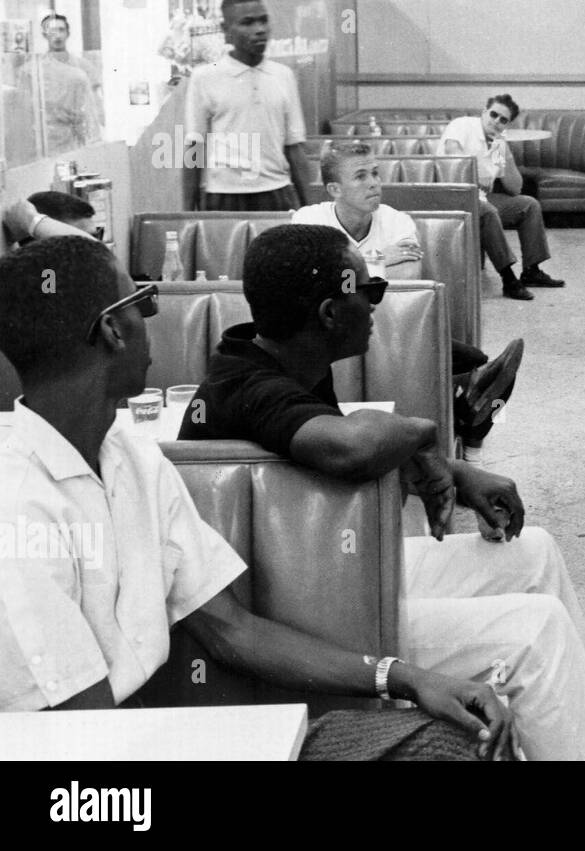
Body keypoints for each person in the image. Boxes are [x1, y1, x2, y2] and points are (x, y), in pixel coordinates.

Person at [0, 236, 510, 760]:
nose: (150, 322)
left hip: (168, 737)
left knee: (454, 742)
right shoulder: (18, 513)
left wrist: (403, 678)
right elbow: (78, 744)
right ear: (112, 329)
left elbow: (232, 630)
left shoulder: (131, 459)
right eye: (143, 304)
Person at [178, 224, 585, 760]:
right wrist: (427, 434)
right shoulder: (244, 387)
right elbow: (351, 447)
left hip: (329, 577)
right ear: (328, 313)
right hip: (297, 620)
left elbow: (323, 456)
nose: (377, 303)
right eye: (368, 292)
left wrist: (454, 476)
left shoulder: (283, 361)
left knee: (534, 552)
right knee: (535, 633)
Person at [293, 142, 525, 462]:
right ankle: (468, 414)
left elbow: (404, 283)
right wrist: (375, 262)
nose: (374, 182)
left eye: (375, 173)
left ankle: (469, 409)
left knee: (472, 358)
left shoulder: (397, 221)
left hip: (390, 330)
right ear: (334, 188)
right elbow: (304, 282)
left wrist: (342, 274)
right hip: (329, 335)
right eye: (360, 176)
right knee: (472, 364)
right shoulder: (308, 220)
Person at [184, 0, 313, 212]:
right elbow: (194, 145)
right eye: (247, 23)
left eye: (263, 21)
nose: (259, 29)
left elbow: (294, 147)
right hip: (223, 195)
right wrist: (186, 210)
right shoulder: (204, 77)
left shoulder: (283, 75)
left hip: (277, 192)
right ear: (226, 31)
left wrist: (311, 208)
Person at [438, 94, 565, 301]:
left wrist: (505, 153)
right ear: (484, 112)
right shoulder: (462, 126)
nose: (496, 121)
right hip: (452, 197)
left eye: (503, 120)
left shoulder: (498, 145)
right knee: (488, 211)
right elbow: (455, 159)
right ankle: (508, 279)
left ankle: (532, 270)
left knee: (528, 205)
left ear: (507, 125)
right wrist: (478, 182)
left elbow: (515, 188)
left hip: (481, 198)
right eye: (493, 115)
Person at [24, 13, 101, 156]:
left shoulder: (84, 67)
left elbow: (94, 110)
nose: (57, 35)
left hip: (74, 141)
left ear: (68, 33)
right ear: (44, 34)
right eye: (52, 31)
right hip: (44, 143)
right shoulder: (33, 70)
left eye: (61, 30)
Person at [3, 191, 100, 250]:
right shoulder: (48, 277)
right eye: (79, 241)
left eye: (95, 236)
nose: (99, 243)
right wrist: (34, 223)